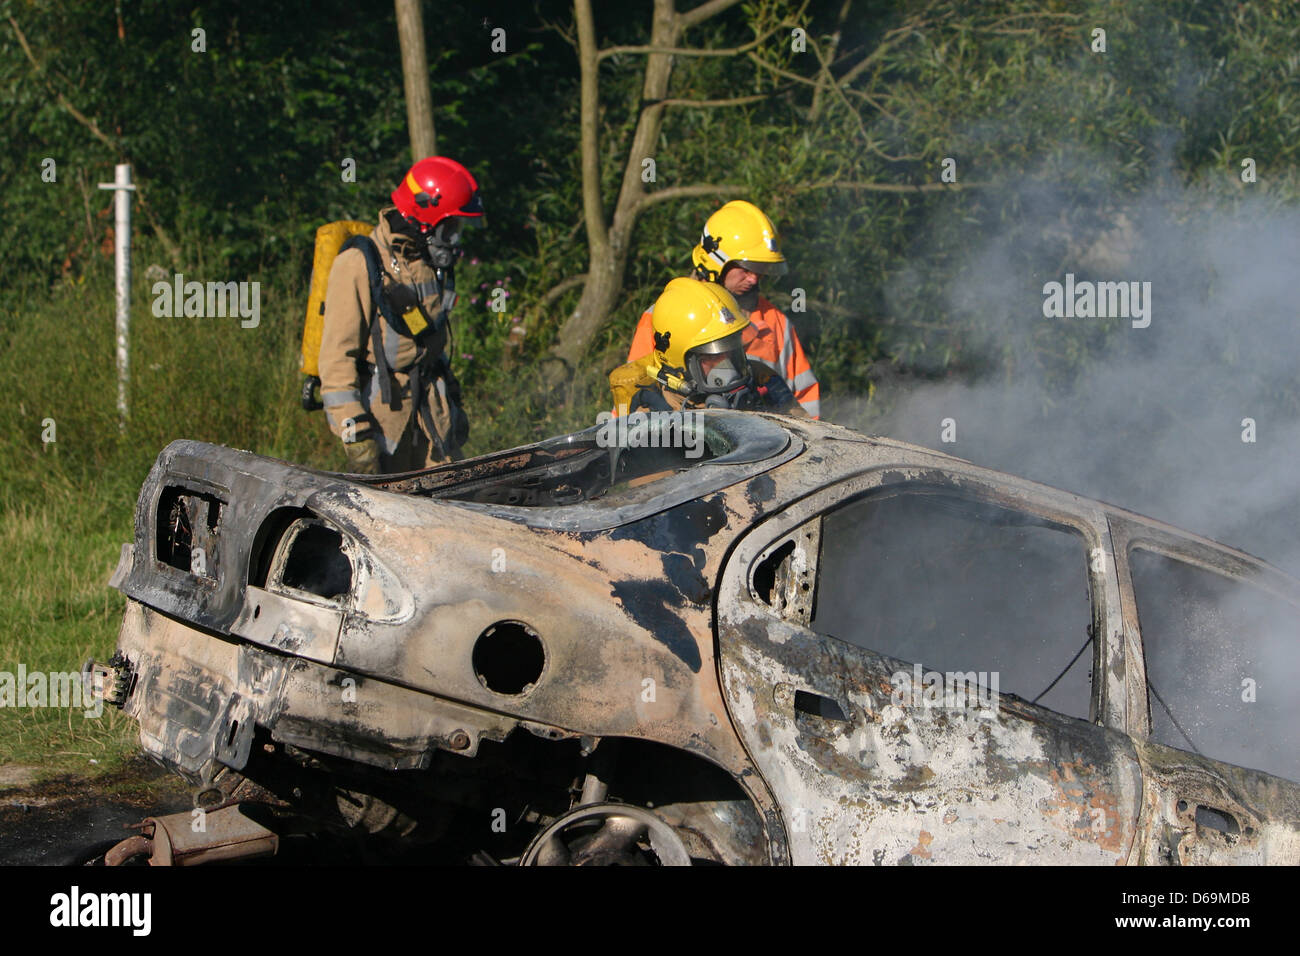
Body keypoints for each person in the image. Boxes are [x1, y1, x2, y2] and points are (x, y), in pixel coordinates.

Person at [319, 156, 483, 474]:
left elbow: (430, 339)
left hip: (433, 420)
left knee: (450, 508)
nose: (455, 240)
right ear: (424, 218)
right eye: (450, 228)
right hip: (383, 424)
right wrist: (356, 436)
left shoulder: (425, 263)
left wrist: (454, 398)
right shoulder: (358, 263)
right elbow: (336, 361)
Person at [625, 200, 821, 418]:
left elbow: (807, 405)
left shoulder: (777, 323)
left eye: (761, 269)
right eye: (746, 269)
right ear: (715, 262)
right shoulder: (665, 317)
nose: (754, 278)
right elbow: (632, 394)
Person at [610, 277, 805, 417]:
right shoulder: (650, 418)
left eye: (732, 351)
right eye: (712, 357)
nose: (727, 366)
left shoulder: (760, 380)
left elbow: (808, 436)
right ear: (679, 363)